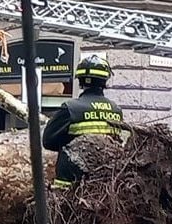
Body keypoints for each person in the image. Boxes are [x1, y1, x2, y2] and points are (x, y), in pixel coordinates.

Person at [42, 54, 125, 189]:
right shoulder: (116, 110)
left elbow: (47, 141)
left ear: (80, 81)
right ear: (105, 81)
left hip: (69, 186)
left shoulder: (70, 108)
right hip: (105, 186)